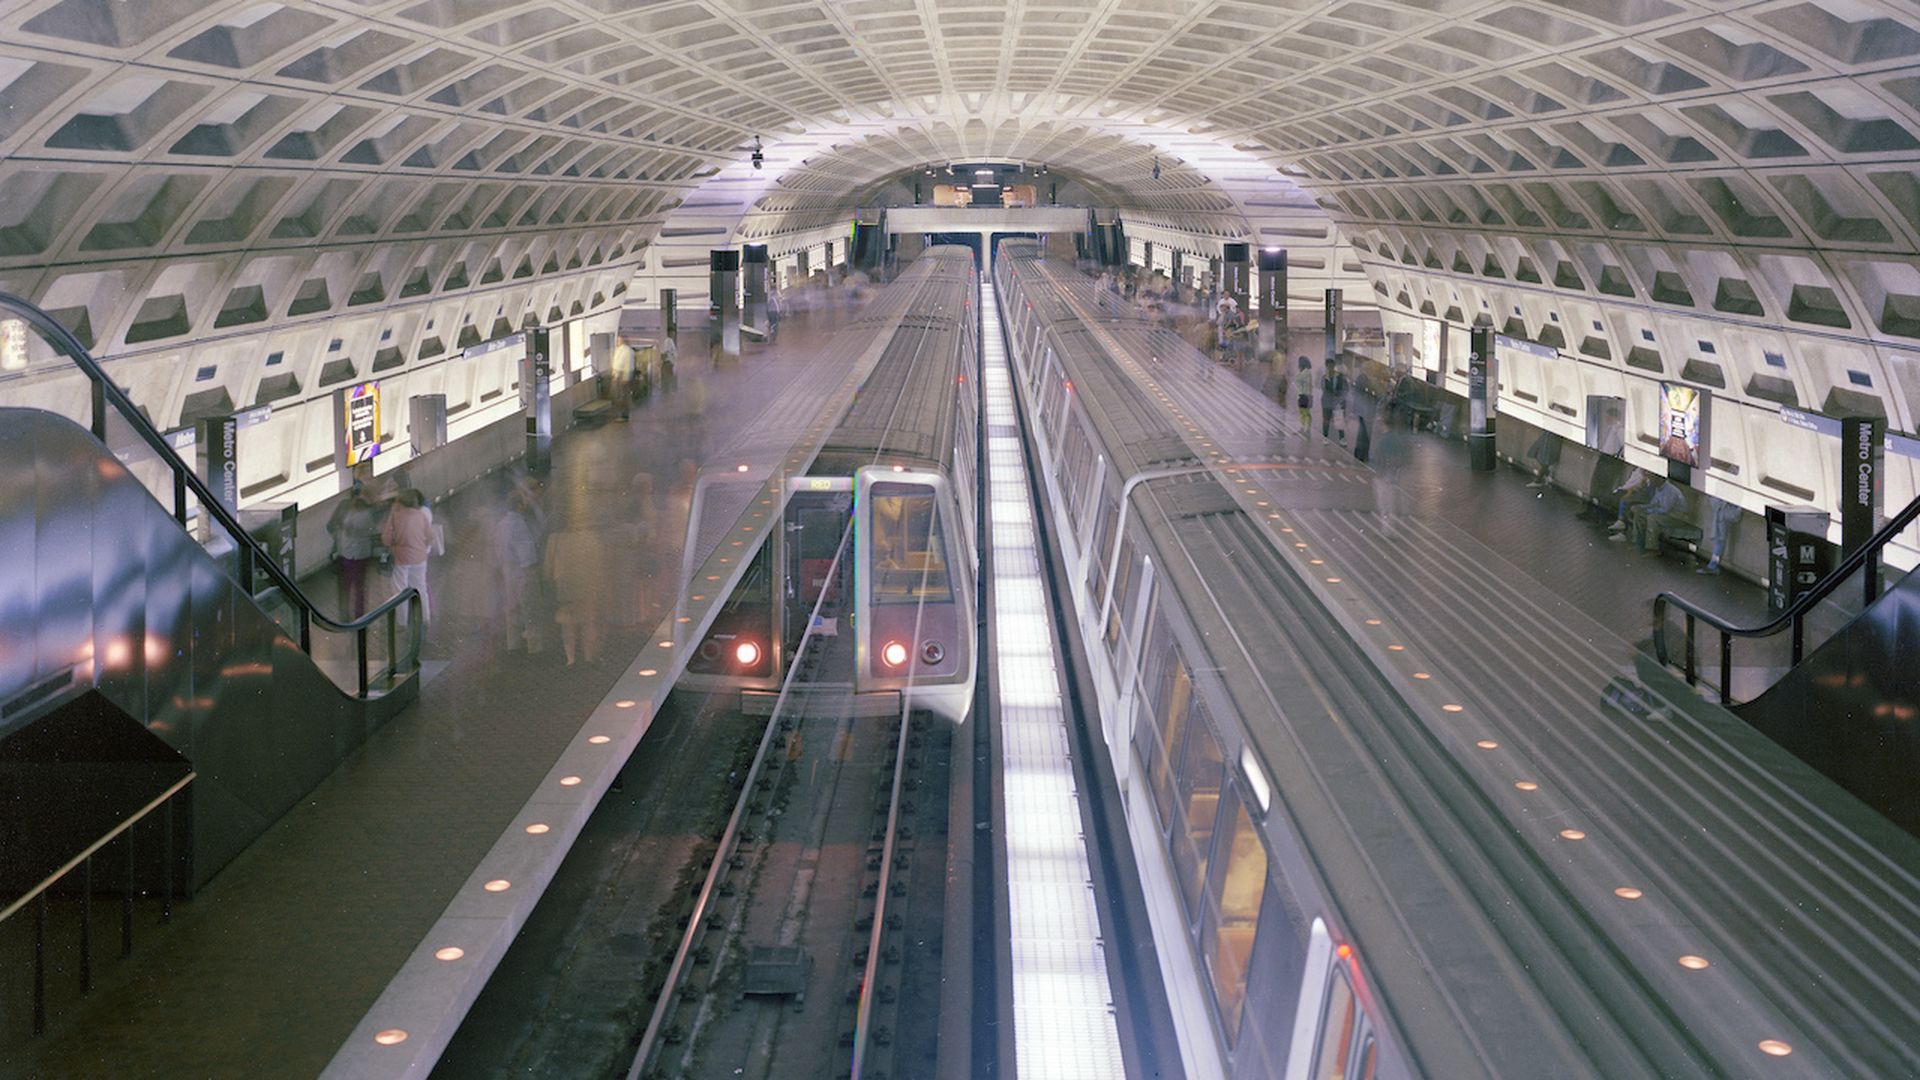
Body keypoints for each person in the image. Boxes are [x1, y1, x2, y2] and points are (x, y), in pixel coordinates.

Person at [493, 490, 541, 652]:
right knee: (530, 608)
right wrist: (532, 570)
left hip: (507, 570)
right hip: (522, 570)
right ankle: (534, 648)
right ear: (519, 505)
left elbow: (498, 550)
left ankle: (512, 645)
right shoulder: (519, 523)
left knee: (511, 609)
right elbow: (525, 551)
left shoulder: (501, 523)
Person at [381, 488, 434, 623]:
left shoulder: (396, 516)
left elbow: (386, 539)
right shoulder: (421, 515)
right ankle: (425, 618)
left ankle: (402, 622)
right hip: (420, 557)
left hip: (402, 558)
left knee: (400, 591)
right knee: (421, 588)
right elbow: (430, 537)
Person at [326, 484, 378, 619]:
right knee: (360, 586)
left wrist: (340, 537)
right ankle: (359, 616)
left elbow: (330, 526)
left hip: (345, 553)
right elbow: (374, 531)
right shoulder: (369, 510)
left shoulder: (344, 507)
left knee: (344, 586)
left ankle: (344, 616)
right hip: (361, 554)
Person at [1631, 479, 1690, 555]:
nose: (1649, 481)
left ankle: (1653, 549)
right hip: (1665, 514)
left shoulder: (1670, 490)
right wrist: (1641, 507)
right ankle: (1638, 543)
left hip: (1677, 517)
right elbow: (1654, 503)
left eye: (1651, 478)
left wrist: (1648, 511)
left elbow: (1665, 510)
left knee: (1652, 518)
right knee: (1639, 514)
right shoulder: (1658, 488)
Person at [1697, 495, 1743, 574]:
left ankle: (1713, 566)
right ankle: (1713, 565)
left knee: (1719, 543)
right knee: (1719, 542)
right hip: (1722, 514)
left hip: (1724, 514)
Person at [1606, 468, 1655, 538]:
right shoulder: (1637, 471)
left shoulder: (1649, 477)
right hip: (1631, 490)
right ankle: (1620, 523)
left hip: (1644, 496)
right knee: (1617, 497)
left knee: (1626, 500)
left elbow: (1642, 487)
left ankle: (1622, 527)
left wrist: (1631, 490)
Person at [1524, 431, 1562, 496]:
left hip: (1552, 435)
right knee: (1536, 453)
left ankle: (1539, 479)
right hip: (1548, 433)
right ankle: (1545, 473)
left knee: (1545, 458)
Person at [1321, 360, 1349, 442]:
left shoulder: (1341, 377)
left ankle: (1342, 438)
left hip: (1338, 403)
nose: (1330, 368)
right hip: (1327, 403)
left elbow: (1346, 389)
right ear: (1326, 367)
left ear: (1334, 366)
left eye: (1332, 366)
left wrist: (1340, 399)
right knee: (1326, 420)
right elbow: (1322, 388)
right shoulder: (1324, 377)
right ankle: (1325, 437)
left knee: (1339, 420)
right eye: (1328, 366)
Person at [1296, 355, 1314, 430]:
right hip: (1301, 395)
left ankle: (1307, 428)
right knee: (1302, 412)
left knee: (1306, 412)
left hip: (1305, 395)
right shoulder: (1303, 371)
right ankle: (1303, 427)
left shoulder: (1307, 372)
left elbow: (1304, 382)